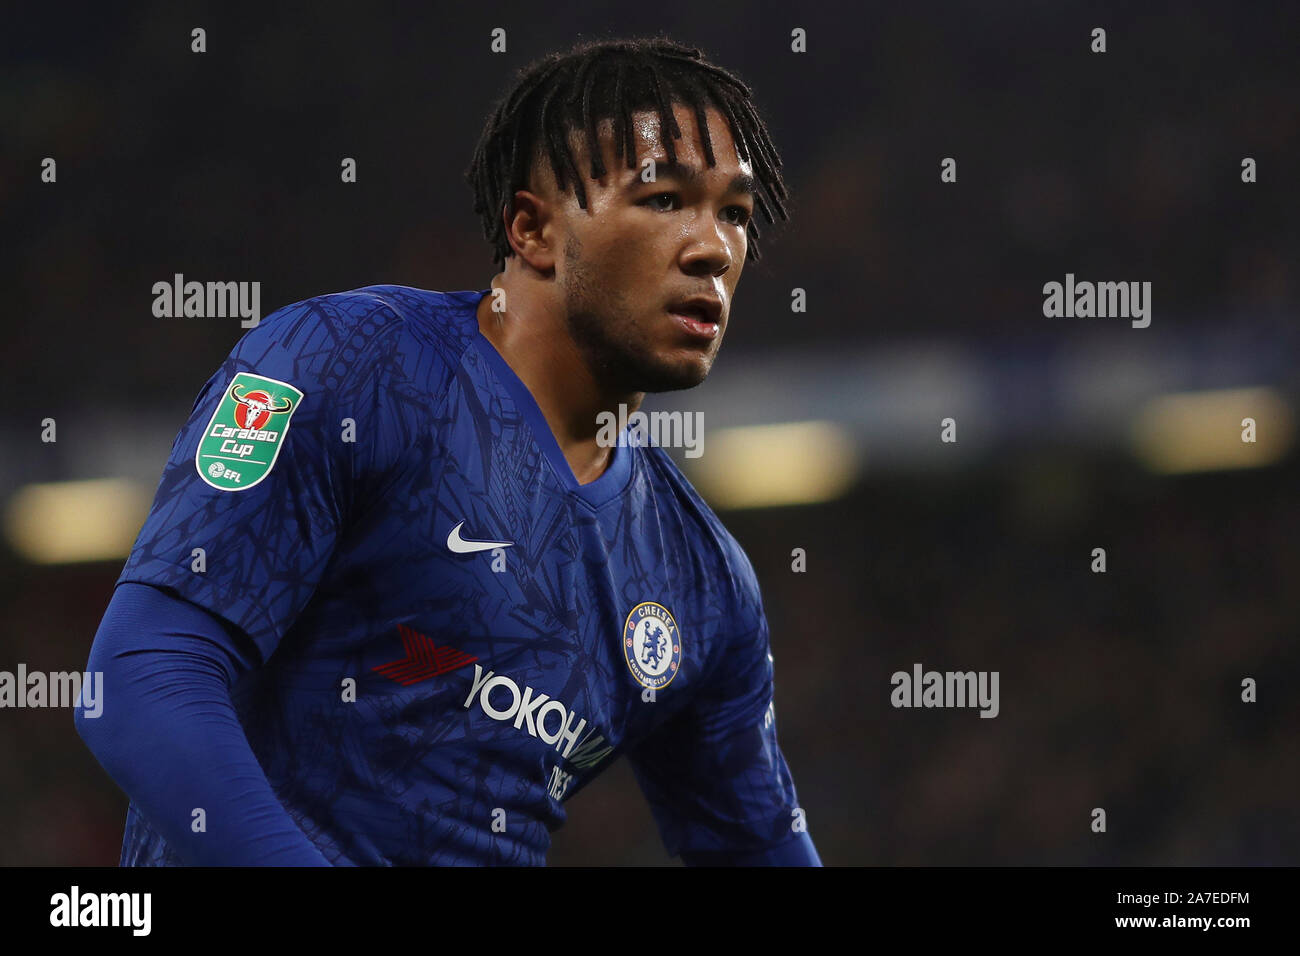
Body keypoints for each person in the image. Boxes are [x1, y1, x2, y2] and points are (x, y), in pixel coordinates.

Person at [77, 35, 820, 866]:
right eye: (662, 199)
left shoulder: (700, 580)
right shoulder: (346, 365)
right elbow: (141, 680)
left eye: (736, 213)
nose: (713, 247)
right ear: (532, 229)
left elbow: (757, 845)